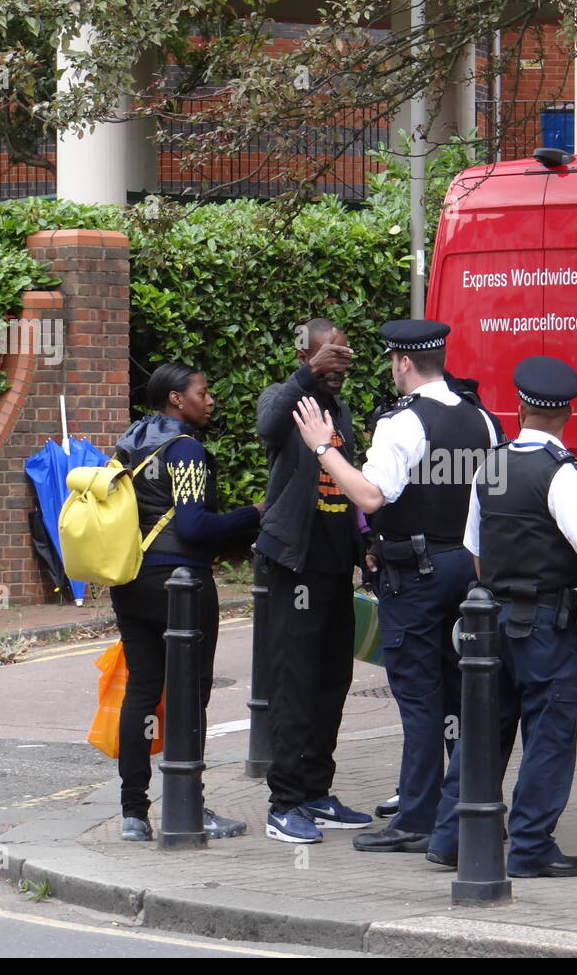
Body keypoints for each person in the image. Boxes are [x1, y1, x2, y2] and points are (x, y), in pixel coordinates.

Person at [425, 355, 577, 878]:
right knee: (549, 735)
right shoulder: (565, 476)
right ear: (568, 414)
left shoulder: (492, 465)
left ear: (522, 407)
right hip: (545, 627)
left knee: (483, 732)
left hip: (492, 625)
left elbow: (477, 552)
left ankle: (451, 837)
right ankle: (530, 846)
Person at [292, 319, 502, 854]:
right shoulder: (482, 418)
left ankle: (418, 816)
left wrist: (322, 447)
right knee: (465, 694)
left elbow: (369, 496)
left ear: (403, 362)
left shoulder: (402, 423)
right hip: (468, 571)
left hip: (416, 574)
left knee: (419, 697)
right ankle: (470, 806)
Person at [110, 362, 262, 842]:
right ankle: (189, 806)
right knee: (189, 695)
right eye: (203, 391)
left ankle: (134, 813)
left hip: (129, 578)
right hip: (181, 584)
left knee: (141, 690)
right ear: (177, 398)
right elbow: (195, 526)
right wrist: (252, 514)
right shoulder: (186, 449)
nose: (209, 399)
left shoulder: (130, 440)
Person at [255, 319, 372, 844]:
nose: (337, 367)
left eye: (343, 357)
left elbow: (348, 484)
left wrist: (363, 551)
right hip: (292, 567)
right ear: (305, 352)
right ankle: (284, 804)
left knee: (331, 683)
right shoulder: (286, 396)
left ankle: (316, 792)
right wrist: (307, 375)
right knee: (294, 686)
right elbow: (269, 427)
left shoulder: (340, 411)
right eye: (329, 355)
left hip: (332, 569)